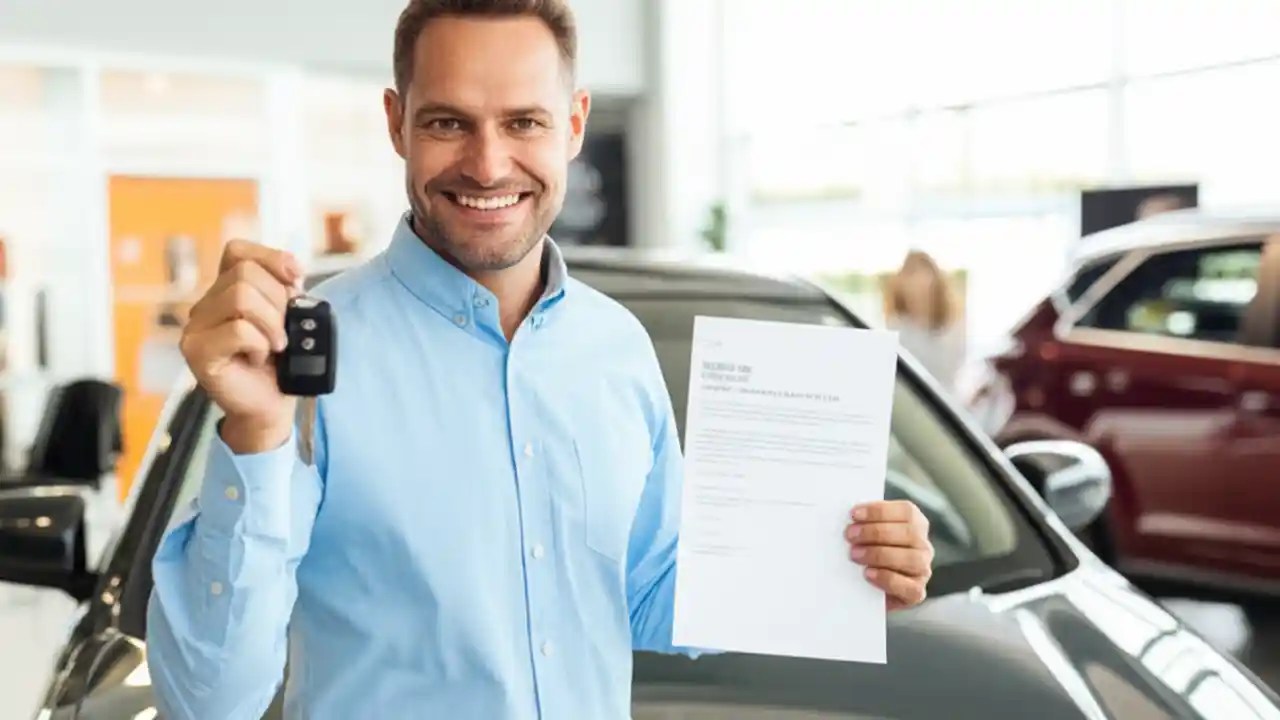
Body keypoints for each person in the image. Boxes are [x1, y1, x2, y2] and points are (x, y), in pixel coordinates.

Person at [146, 2, 936, 718]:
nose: (488, 166)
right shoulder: (302, 364)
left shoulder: (617, 349)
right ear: (397, 123)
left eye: (524, 122)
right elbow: (211, 702)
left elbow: (650, 592)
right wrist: (257, 433)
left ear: (574, 123)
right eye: (449, 123)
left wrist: (838, 566)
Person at [882, 249, 965, 393]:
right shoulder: (895, 325)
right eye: (911, 274)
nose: (917, 282)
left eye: (923, 275)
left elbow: (949, 369)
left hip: (943, 397)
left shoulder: (953, 324)